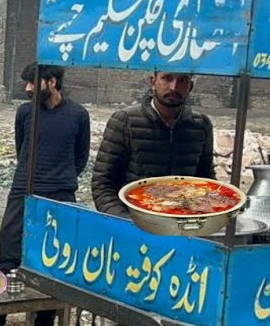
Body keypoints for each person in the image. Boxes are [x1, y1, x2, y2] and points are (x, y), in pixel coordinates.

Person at [0, 64, 90, 326]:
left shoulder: (78, 115)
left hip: (60, 194)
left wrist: (59, 180)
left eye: (32, 83)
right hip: (23, 190)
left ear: (52, 81)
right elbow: (23, 151)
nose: (28, 89)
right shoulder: (25, 113)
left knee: (54, 265)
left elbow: (80, 158)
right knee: (9, 257)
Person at [91, 71, 214, 217]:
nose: (174, 87)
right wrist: (125, 222)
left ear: (190, 86)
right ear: (153, 81)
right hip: (133, 223)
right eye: (167, 78)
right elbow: (103, 184)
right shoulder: (126, 121)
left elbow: (206, 180)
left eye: (182, 80)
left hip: (181, 226)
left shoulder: (200, 125)